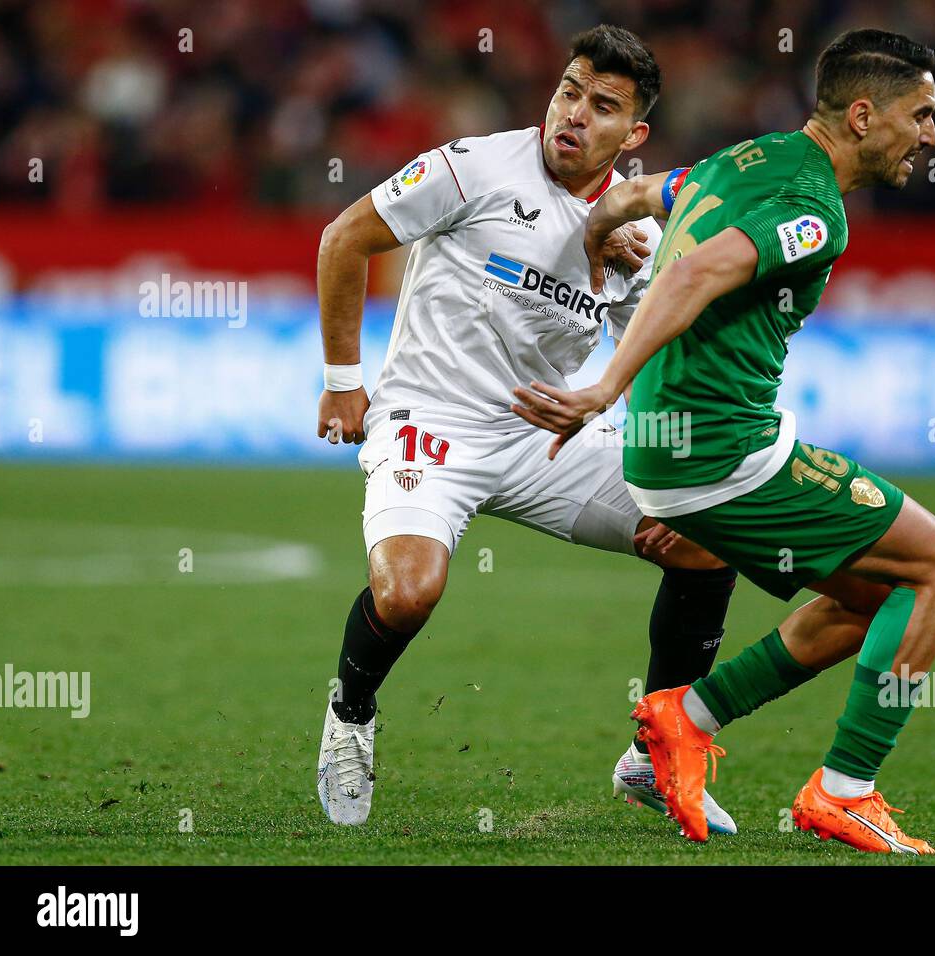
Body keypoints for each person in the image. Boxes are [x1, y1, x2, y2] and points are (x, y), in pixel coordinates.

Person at [511, 29, 935, 854]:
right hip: (721, 455)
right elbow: (693, 273)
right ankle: (844, 790)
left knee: (875, 598)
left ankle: (683, 718)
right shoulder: (812, 213)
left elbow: (629, 197)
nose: (932, 135)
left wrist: (597, 242)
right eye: (922, 113)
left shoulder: (745, 159)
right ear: (864, 116)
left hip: (674, 452)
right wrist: (603, 389)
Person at [314, 25, 738, 833]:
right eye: (570, 90)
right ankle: (352, 714)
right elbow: (345, 238)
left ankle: (653, 756)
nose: (574, 113)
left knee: (708, 537)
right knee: (407, 594)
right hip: (429, 421)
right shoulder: (474, 168)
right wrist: (343, 383)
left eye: (602, 105)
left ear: (634, 135)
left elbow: (655, 363)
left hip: (544, 433)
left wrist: (663, 471)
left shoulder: (639, 236)